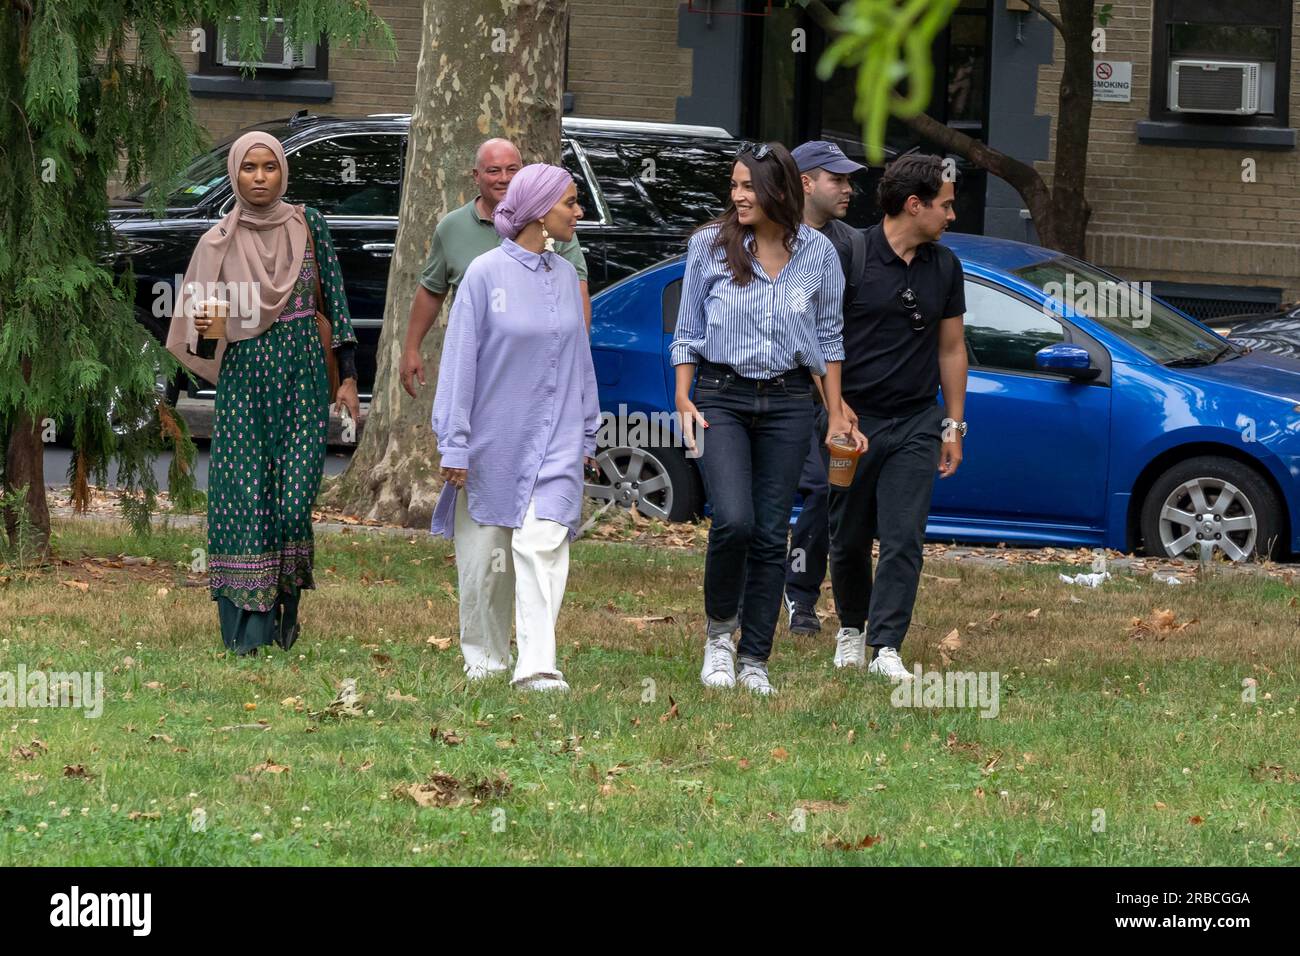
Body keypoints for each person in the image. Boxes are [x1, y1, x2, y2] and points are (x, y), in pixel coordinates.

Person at [671, 141, 861, 696]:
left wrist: (834, 414)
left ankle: (755, 657)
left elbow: (829, 339)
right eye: (733, 185)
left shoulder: (819, 255)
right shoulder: (709, 245)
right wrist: (684, 398)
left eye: (748, 186)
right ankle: (718, 641)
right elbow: (687, 331)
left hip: (788, 402)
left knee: (770, 531)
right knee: (733, 519)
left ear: (778, 188)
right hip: (720, 396)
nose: (737, 195)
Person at [165, 132, 361, 656]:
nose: (258, 177)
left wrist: (346, 376)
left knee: (295, 502)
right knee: (246, 500)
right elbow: (204, 336)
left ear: (282, 173)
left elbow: (337, 303)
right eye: (248, 167)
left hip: (301, 379)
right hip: (246, 383)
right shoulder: (217, 241)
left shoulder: (309, 225)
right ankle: (248, 631)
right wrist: (220, 326)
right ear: (235, 173)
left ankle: (286, 607)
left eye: (269, 167)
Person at [429, 164, 600, 693]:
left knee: (542, 542)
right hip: (494, 438)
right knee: (486, 558)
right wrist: (454, 441)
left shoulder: (566, 277)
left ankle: (539, 665)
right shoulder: (484, 274)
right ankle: (484, 658)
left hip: (559, 436)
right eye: (571, 202)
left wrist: (588, 429)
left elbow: (580, 360)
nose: (579, 212)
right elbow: (459, 362)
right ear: (540, 208)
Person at [828, 153, 968, 681]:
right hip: (854, 425)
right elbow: (823, 340)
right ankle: (850, 628)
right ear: (915, 205)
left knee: (904, 535)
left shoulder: (945, 267)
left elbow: (952, 349)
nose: (951, 217)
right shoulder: (851, 256)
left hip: (915, 421)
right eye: (945, 206)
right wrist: (834, 409)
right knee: (847, 536)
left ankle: (886, 646)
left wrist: (952, 425)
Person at [400, 139, 591, 398]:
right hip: (479, 364)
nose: (504, 178)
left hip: (539, 364)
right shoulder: (452, 227)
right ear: (476, 176)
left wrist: (578, 356)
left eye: (512, 170)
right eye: (494, 171)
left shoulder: (553, 226)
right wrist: (411, 348)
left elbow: (576, 290)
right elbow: (432, 290)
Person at [783, 141, 867, 645]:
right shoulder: (777, 238)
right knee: (801, 491)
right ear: (806, 183)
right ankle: (789, 588)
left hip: (835, 394)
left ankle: (801, 591)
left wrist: (840, 399)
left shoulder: (850, 244)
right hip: (787, 389)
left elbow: (840, 325)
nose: (849, 187)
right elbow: (796, 324)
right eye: (837, 178)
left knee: (832, 491)